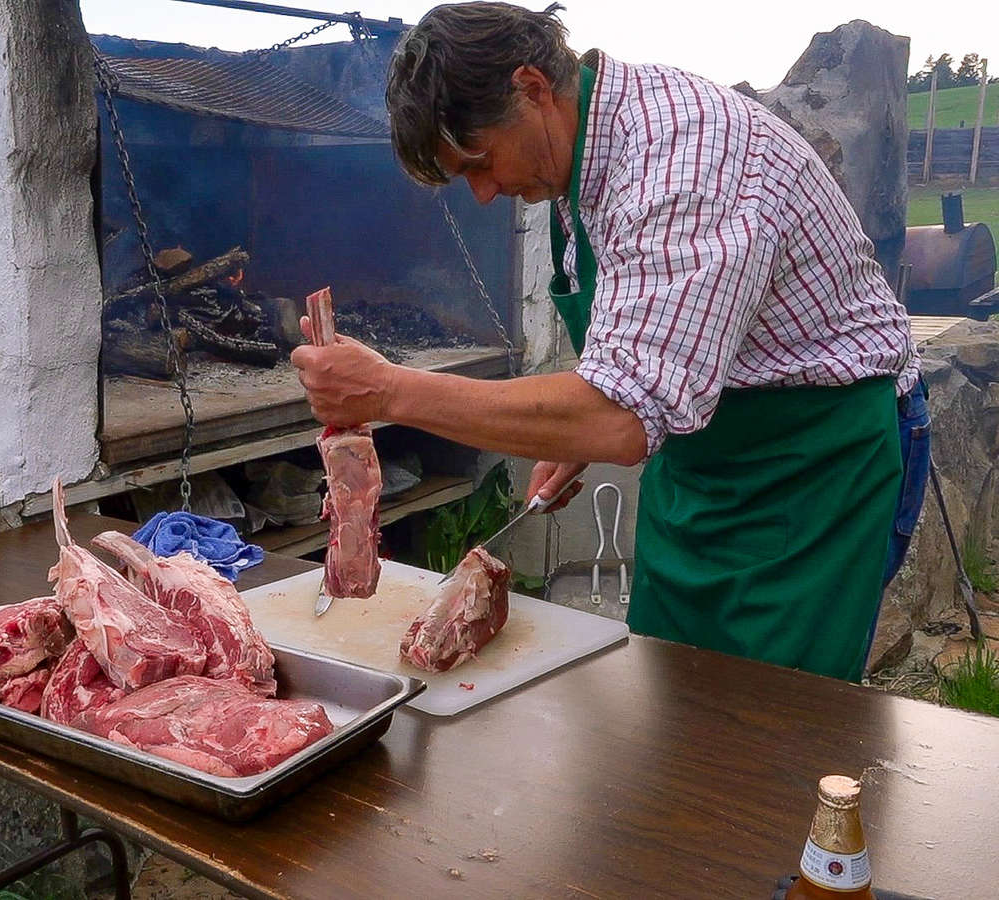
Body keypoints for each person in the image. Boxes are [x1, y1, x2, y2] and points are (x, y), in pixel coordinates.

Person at [289, 2, 931, 682]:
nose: (482, 194)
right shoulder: (584, 148)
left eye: (478, 162)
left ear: (532, 88)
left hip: (814, 469)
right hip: (706, 461)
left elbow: (622, 417)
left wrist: (390, 389)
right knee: (668, 694)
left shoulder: (685, 164)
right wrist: (571, 431)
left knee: (776, 734)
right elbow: (636, 337)